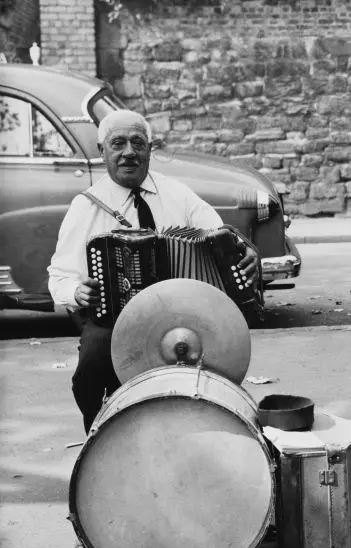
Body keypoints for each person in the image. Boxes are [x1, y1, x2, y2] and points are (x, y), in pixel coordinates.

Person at [48, 109, 259, 433]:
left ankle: (208, 434)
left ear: (150, 149)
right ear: (102, 150)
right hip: (116, 318)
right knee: (88, 373)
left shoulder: (178, 193)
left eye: (137, 143)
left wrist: (245, 252)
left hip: (182, 312)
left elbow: (222, 236)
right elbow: (59, 275)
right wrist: (77, 291)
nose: (129, 152)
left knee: (221, 362)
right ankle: (100, 442)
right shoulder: (86, 206)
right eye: (118, 143)